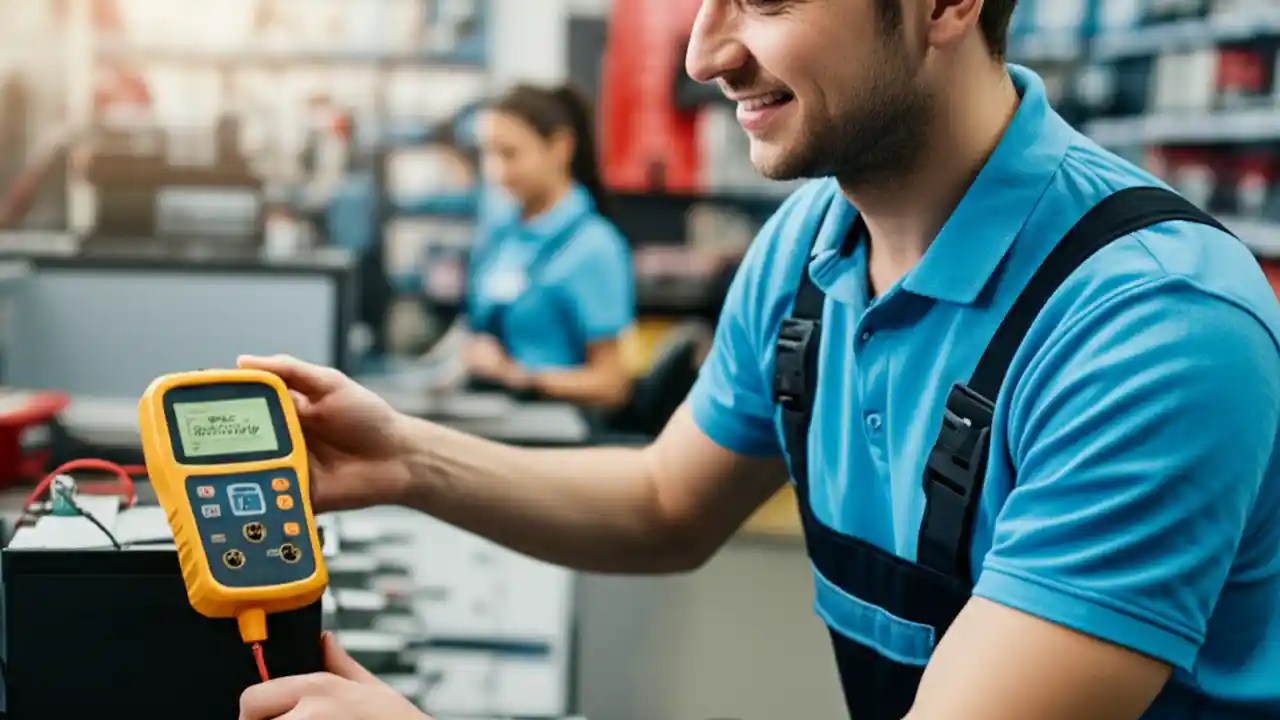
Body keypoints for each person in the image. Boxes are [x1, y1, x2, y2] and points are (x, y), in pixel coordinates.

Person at [237, 1, 1280, 719]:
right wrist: (406, 462)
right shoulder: (806, 249)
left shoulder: (1149, 324)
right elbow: (663, 502)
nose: (700, 55)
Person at [461, 83, 636, 411]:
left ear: (559, 148)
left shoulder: (594, 246)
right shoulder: (502, 233)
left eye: (510, 154)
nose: (497, 172)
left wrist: (519, 377)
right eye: (488, 153)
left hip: (556, 431)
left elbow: (612, 384)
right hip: (495, 412)